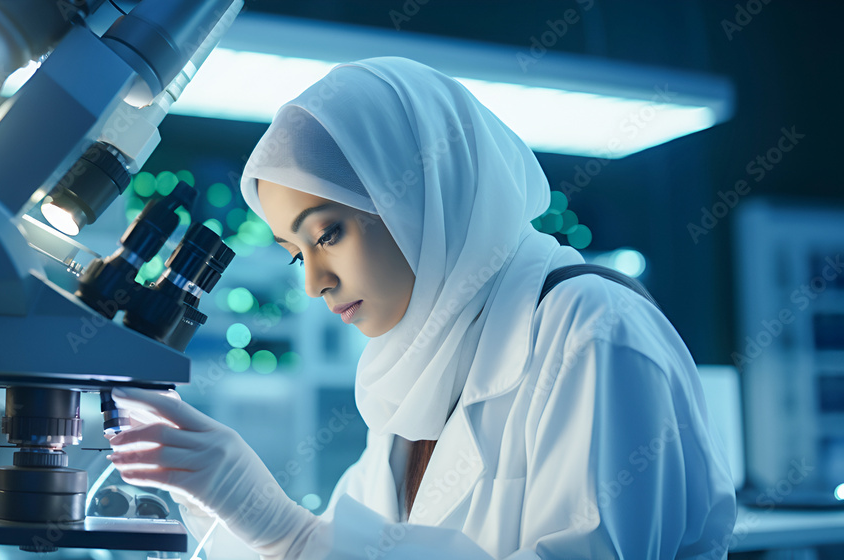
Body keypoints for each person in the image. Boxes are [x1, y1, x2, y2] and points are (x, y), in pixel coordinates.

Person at [106, 56, 737, 559]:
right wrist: (242, 510)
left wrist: (285, 531)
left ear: (422, 197)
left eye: (327, 233)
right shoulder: (419, 376)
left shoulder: (592, 329)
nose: (315, 283)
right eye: (297, 254)